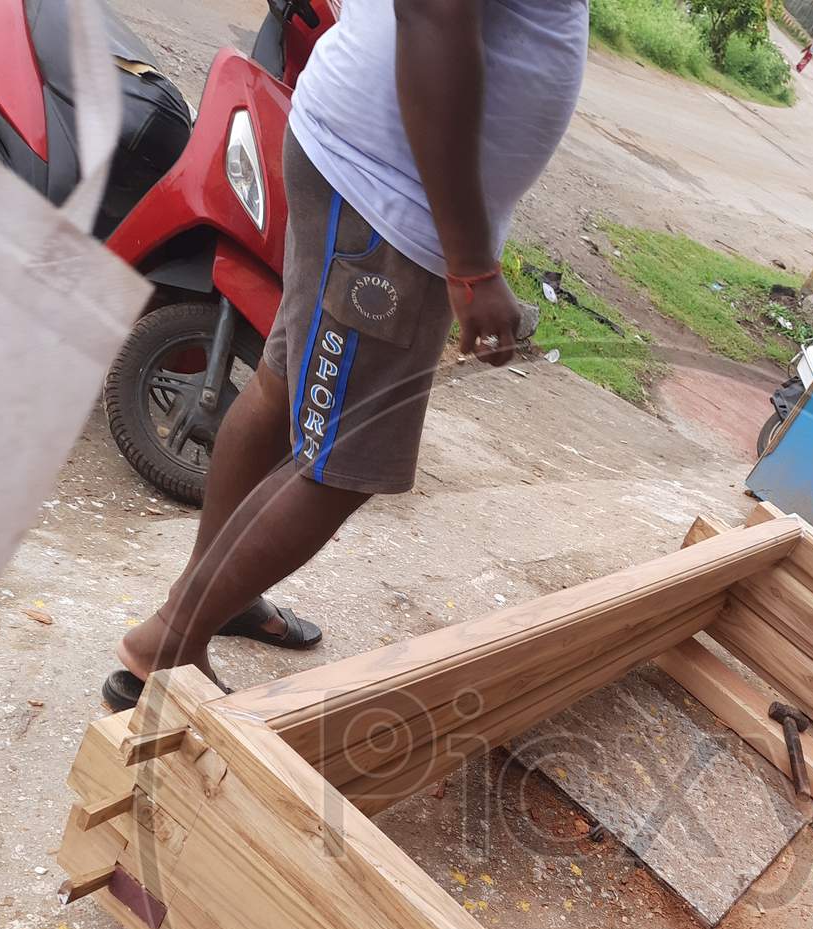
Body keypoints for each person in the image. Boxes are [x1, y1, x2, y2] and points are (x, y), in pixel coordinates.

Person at [104, 0, 590, 710]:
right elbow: (433, 18)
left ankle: (215, 598)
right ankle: (169, 644)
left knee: (280, 387)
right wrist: (471, 265)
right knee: (341, 461)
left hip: (365, 176)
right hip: (390, 201)